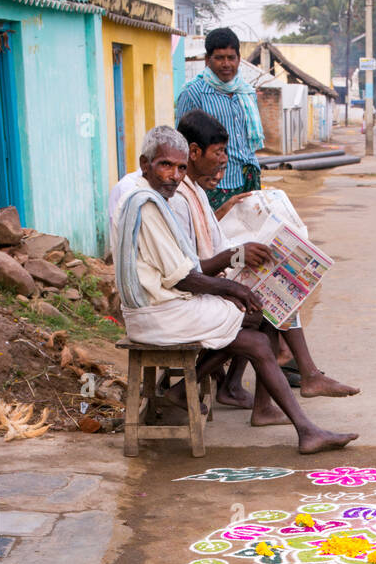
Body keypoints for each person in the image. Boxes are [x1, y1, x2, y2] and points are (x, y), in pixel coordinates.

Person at [111, 127, 356, 454]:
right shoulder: (149, 205)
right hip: (161, 313)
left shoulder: (151, 197)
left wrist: (232, 286)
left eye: (180, 168)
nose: (174, 176)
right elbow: (184, 277)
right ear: (145, 164)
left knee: (255, 331)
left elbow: (187, 270)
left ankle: (304, 428)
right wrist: (233, 289)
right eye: (165, 166)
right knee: (253, 312)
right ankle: (295, 419)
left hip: (162, 306)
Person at [172, 109, 359, 407]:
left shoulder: (194, 191)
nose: (223, 160)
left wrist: (242, 252)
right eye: (218, 152)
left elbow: (208, 248)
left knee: (277, 280)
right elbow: (188, 269)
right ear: (194, 152)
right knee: (264, 303)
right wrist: (237, 258)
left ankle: (271, 391)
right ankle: (280, 387)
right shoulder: (179, 198)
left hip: (209, 280)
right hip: (195, 292)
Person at [175, 28, 264, 212]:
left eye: (231, 58)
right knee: (216, 236)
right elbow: (182, 143)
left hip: (247, 177)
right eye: (219, 58)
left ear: (239, 59)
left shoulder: (246, 92)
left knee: (248, 235)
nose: (226, 64)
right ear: (207, 60)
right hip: (214, 184)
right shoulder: (193, 93)